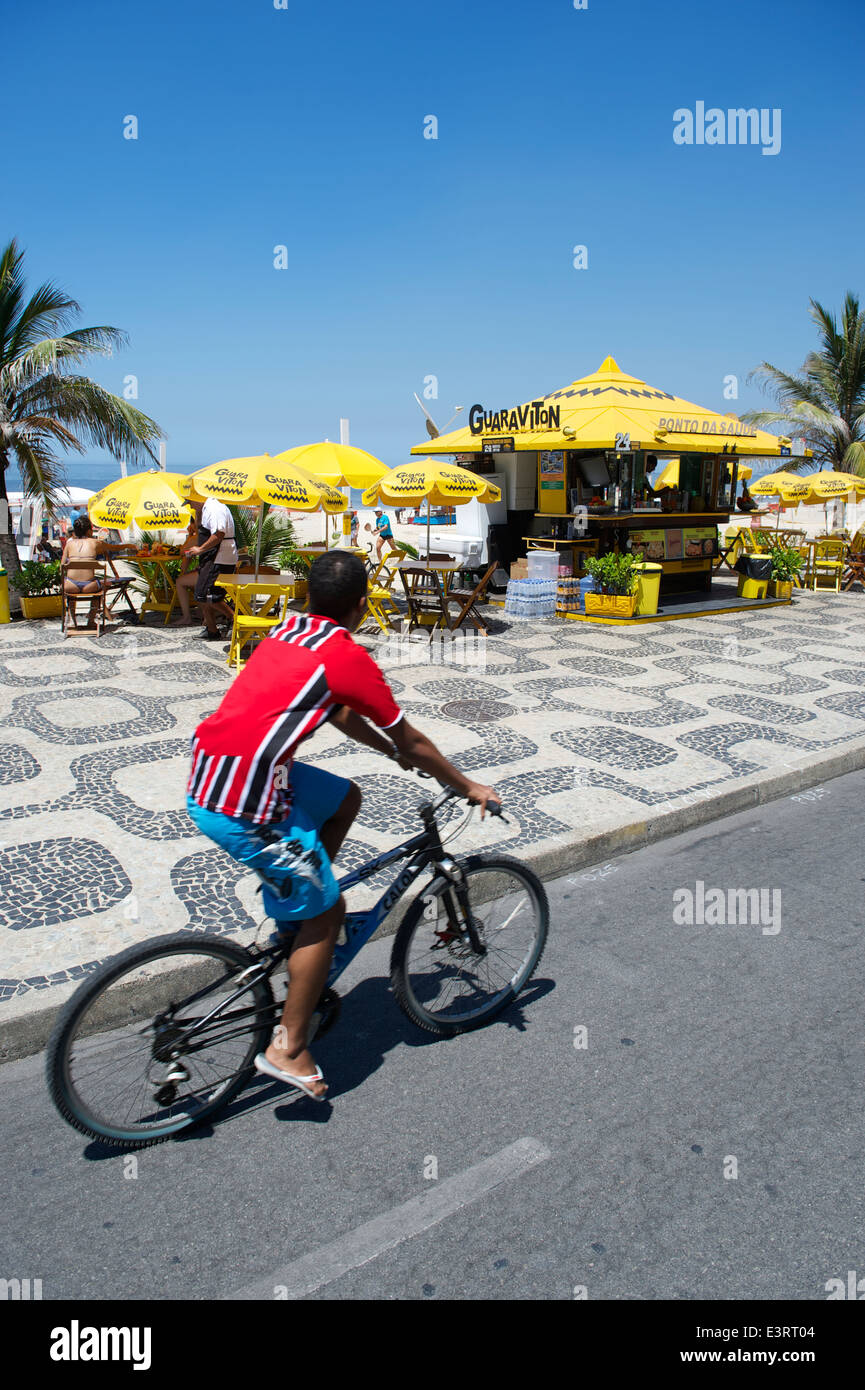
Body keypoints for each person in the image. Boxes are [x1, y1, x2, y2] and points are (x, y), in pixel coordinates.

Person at [185, 550, 498, 1101]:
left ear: (310, 595)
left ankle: (298, 909)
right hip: (243, 801)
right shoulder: (344, 655)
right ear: (359, 605)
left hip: (214, 768)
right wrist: (466, 784)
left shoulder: (289, 631)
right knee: (326, 917)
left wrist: (388, 754)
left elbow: (338, 712)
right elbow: (414, 740)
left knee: (343, 797)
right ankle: (288, 1044)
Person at [173, 498, 237, 636]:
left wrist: (200, 549)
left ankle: (233, 618)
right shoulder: (206, 509)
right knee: (202, 594)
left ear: (200, 497)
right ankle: (212, 629)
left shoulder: (214, 508)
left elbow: (219, 534)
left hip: (219, 558)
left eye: (191, 502)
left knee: (204, 595)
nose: (191, 506)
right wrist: (198, 515)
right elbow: (202, 529)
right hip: (211, 558)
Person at [61, 515, 109, 625]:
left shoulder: (69, 544)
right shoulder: (95, 543)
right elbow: (111, 548)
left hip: (71, 585)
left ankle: (73, 621)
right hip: (89, 586)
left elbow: (62, 565)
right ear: (89, 531)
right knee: (105, 585)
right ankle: (91, 620)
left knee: (71, 596)